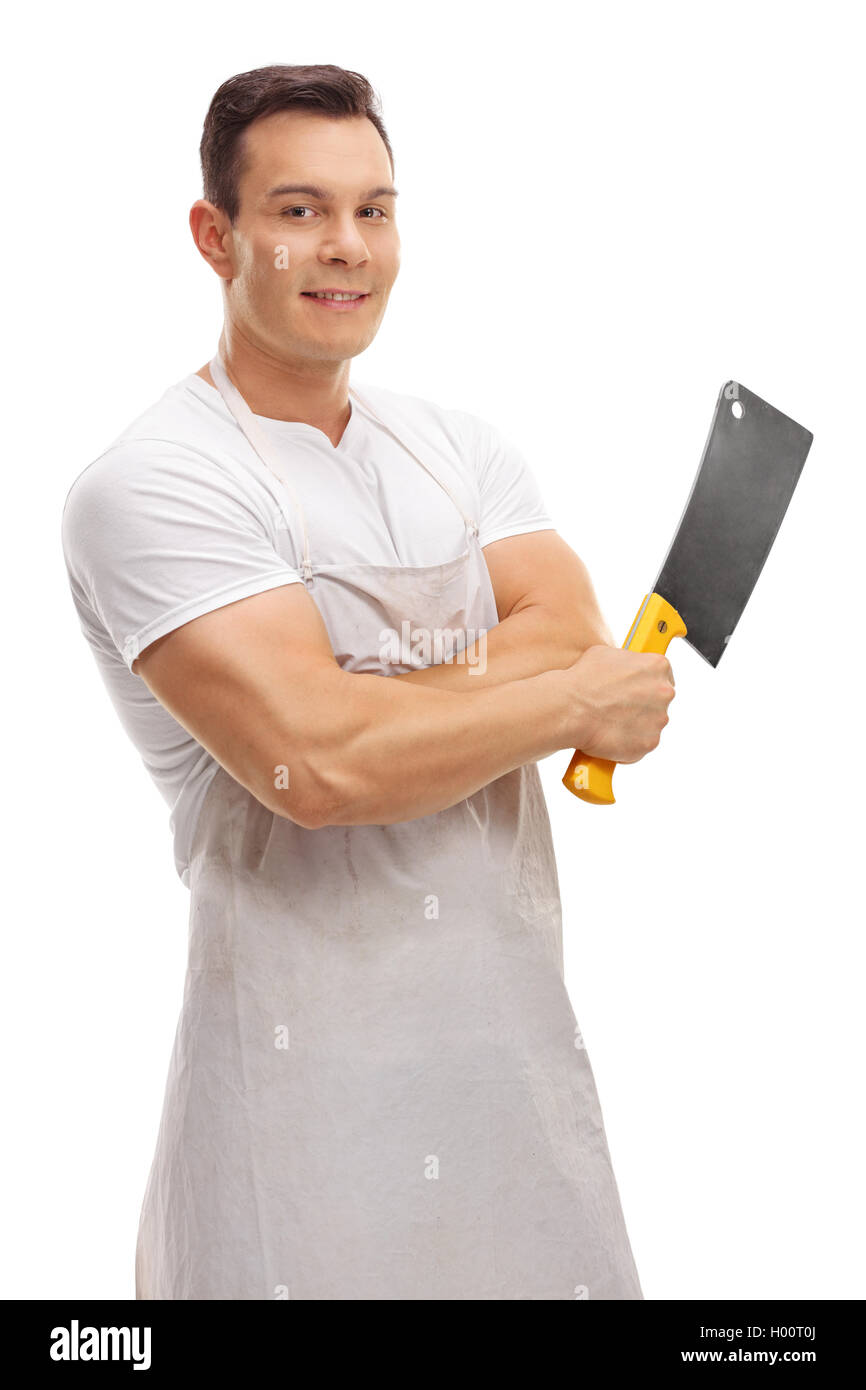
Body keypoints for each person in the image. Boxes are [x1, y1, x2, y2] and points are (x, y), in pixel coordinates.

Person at [60, 63, 675, 1301]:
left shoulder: (459, 447)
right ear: (214, 235)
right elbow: (321, 770)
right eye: (298, 211)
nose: (347, 246)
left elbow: (564, 624)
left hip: (512, 1088)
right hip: (294, 1126)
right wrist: (559, 707)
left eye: (373, 209)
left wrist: (360, 692)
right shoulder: (154, 483)